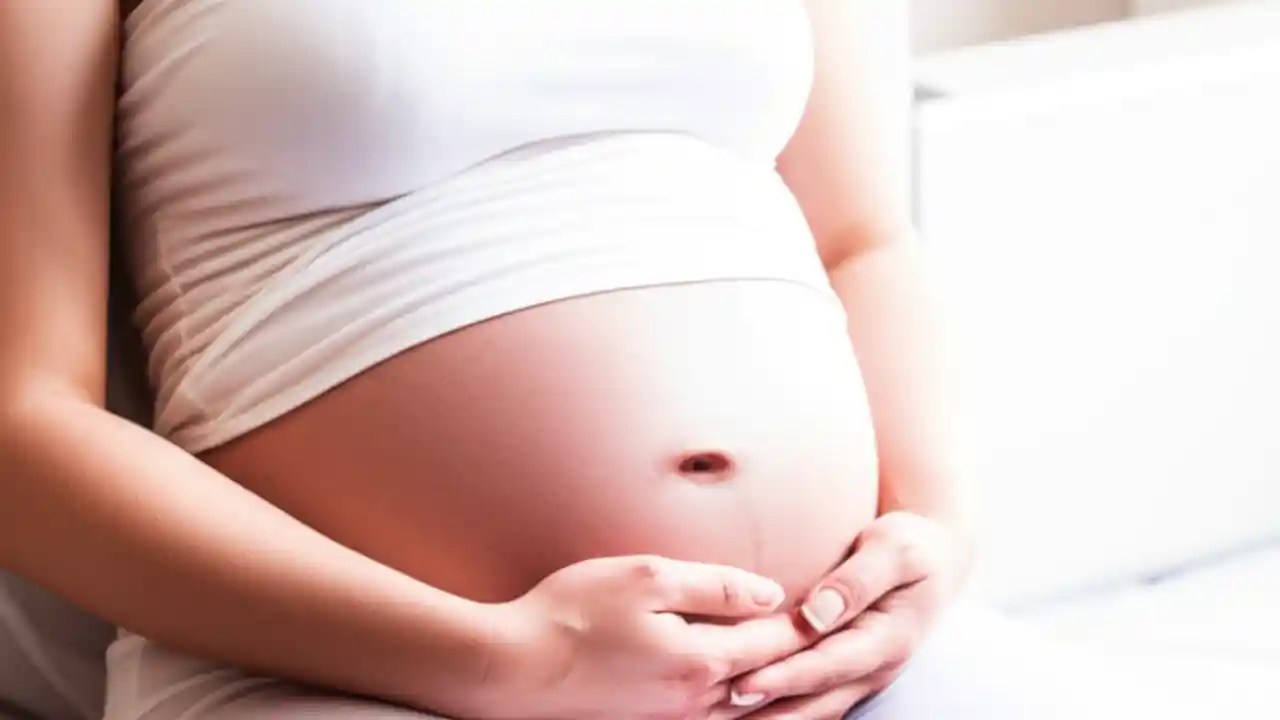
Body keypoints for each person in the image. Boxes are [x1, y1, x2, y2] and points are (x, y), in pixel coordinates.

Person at [1, 2, 1107, 719]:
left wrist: (934, 533)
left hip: (815, 660)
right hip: (350, 676)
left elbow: (861, 242)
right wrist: (498, 658)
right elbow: (21, 418)